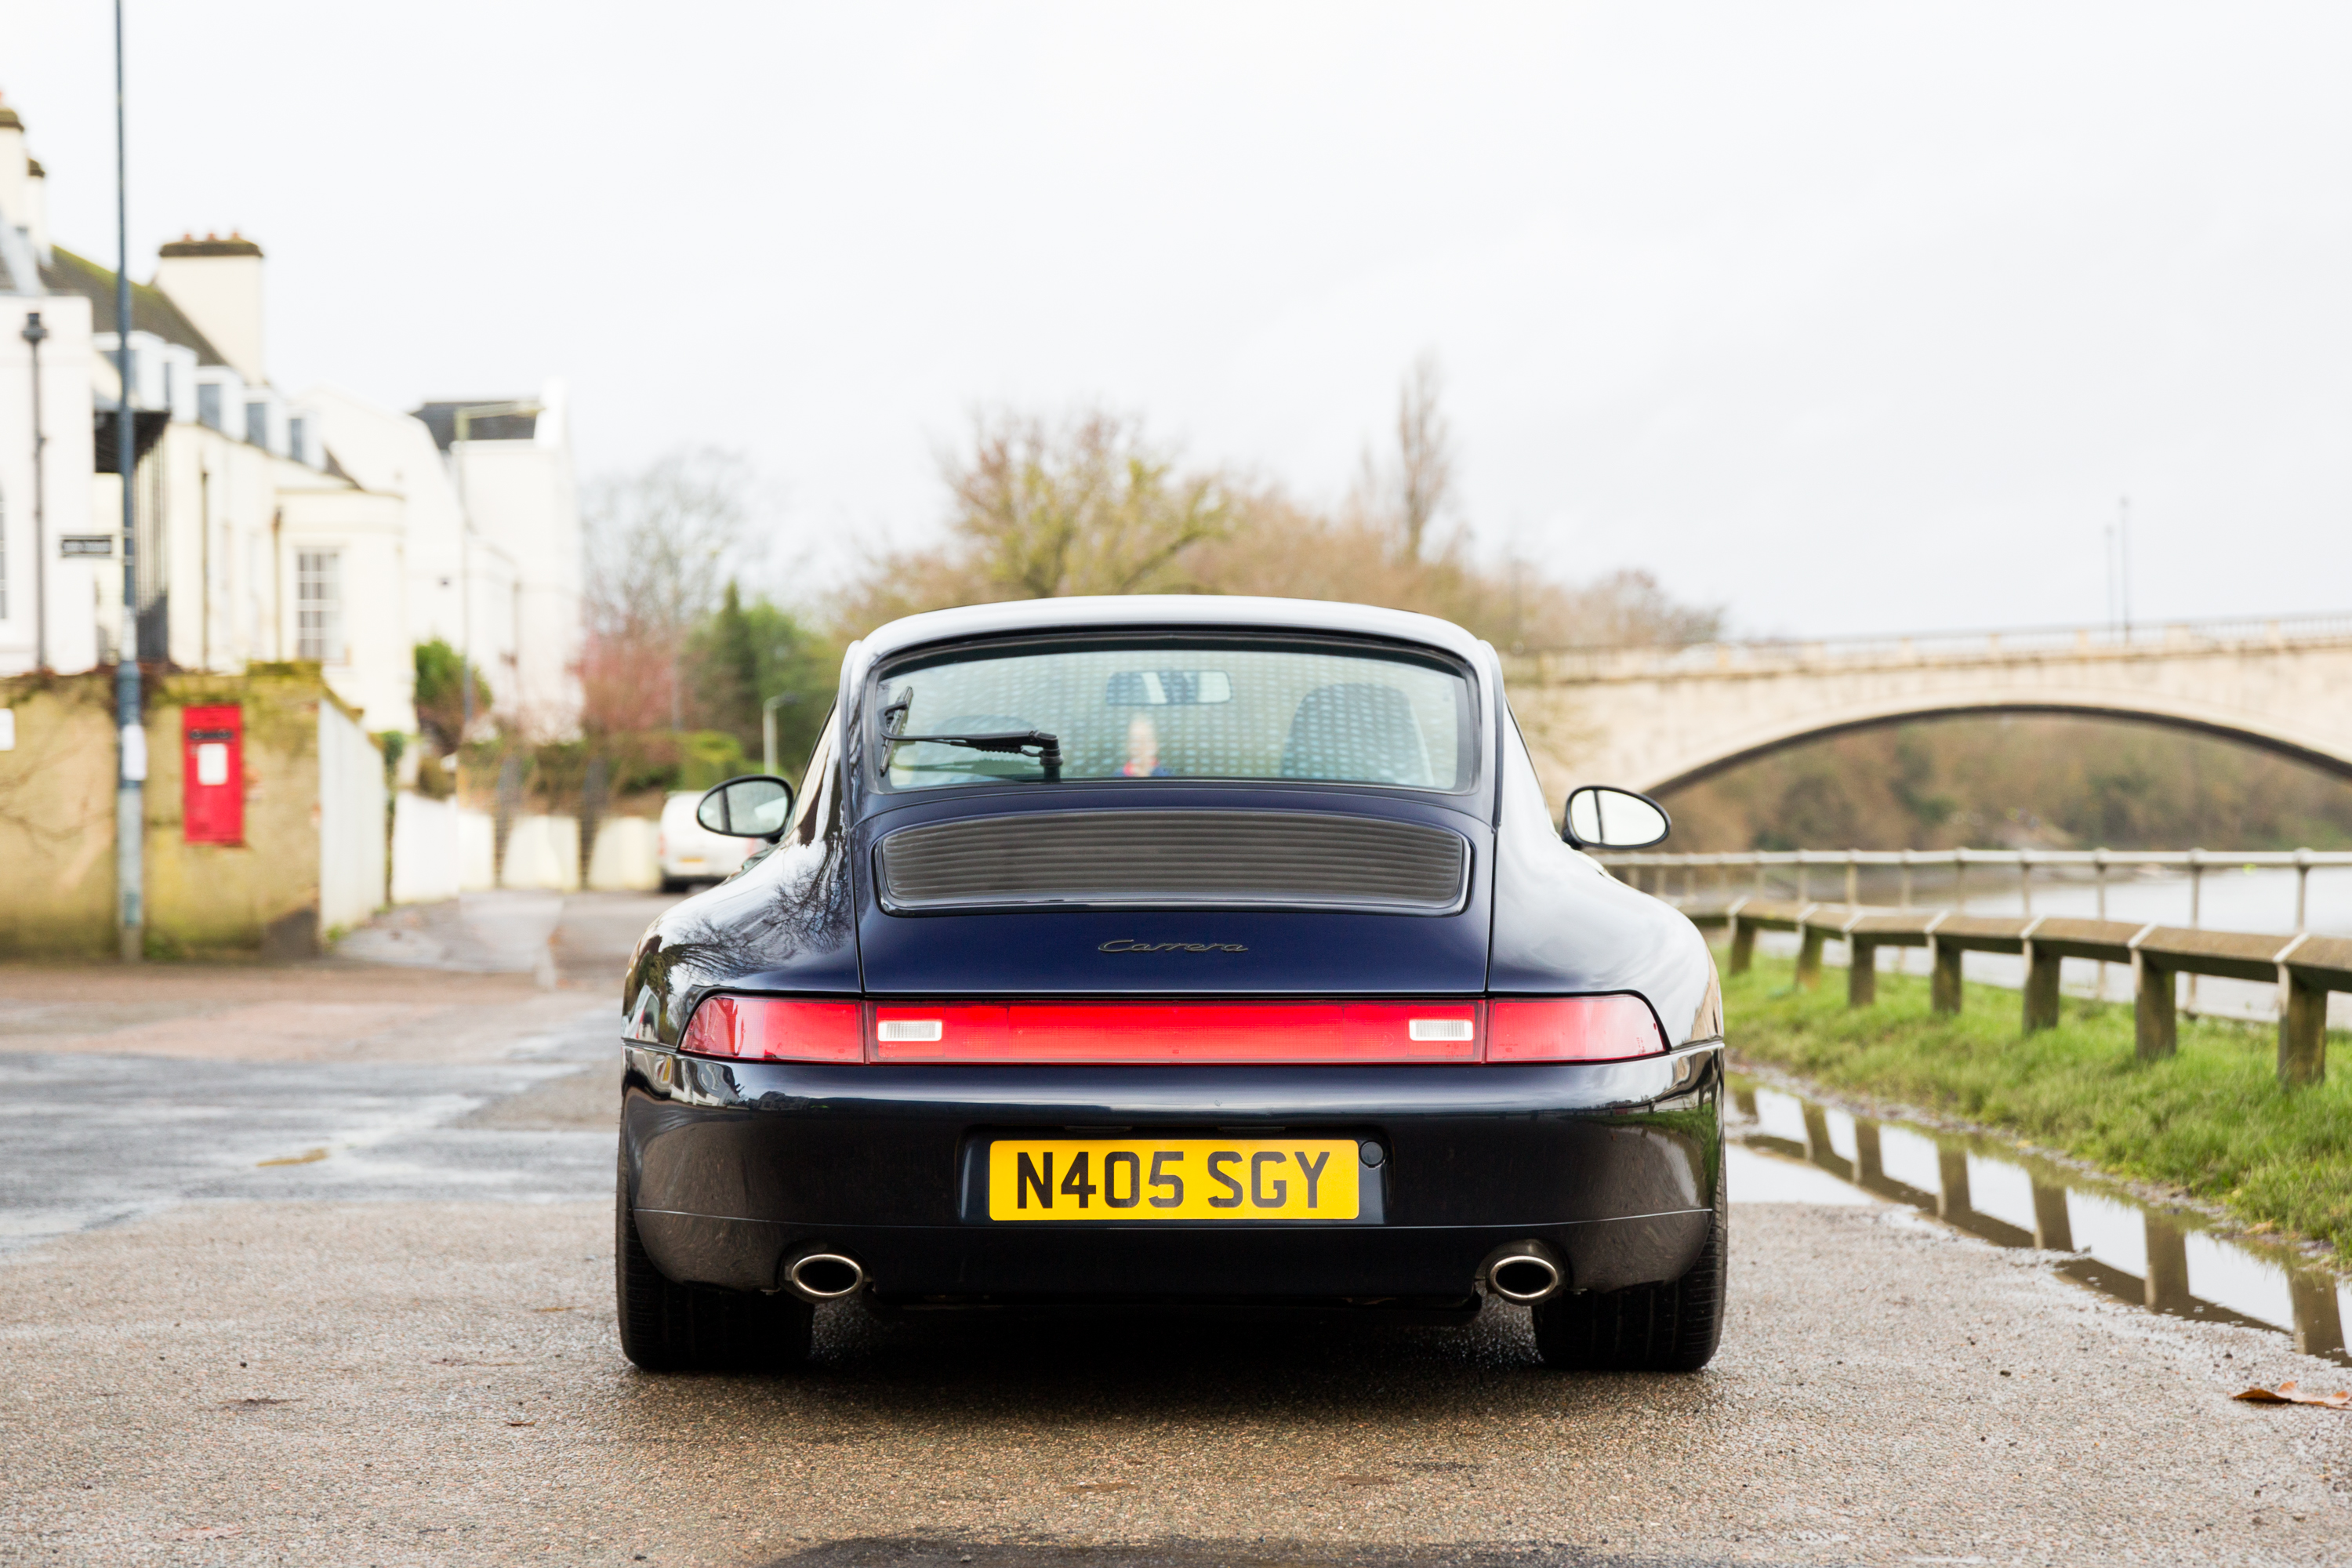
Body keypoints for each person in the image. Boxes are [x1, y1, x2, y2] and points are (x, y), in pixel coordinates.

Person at [1120, 713, 1170, 777]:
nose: (1140, 747)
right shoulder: (1116, 778)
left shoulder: (1168, 778)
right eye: (1136, 741)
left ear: (1155, 744)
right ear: (1128, 745)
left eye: (1145, 740)